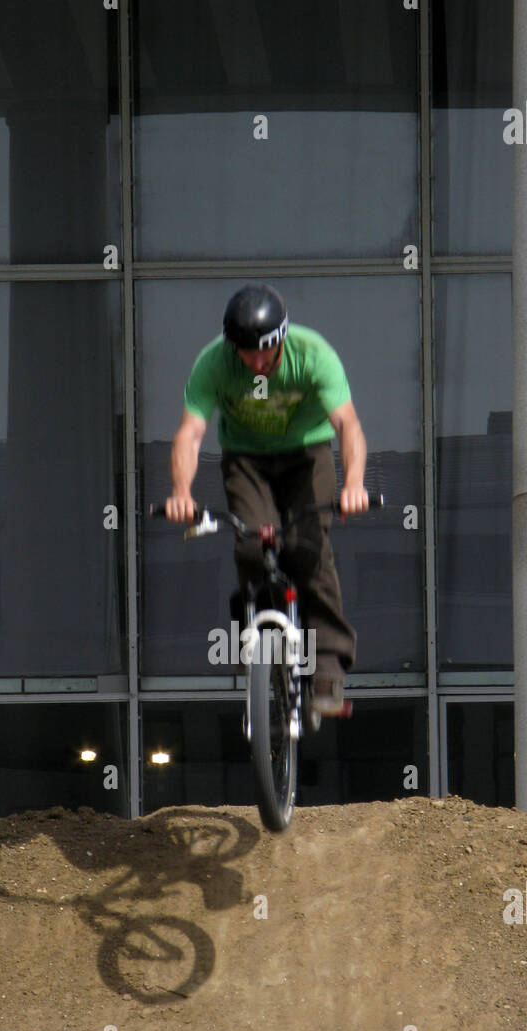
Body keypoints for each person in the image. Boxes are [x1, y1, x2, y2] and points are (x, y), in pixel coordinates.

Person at [165, 284, 369, 715]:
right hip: (247, 461)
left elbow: (347, 425)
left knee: (307, 549)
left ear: (282, 338)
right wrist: (181, 492)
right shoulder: (213, 364)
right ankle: (252, 636)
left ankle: (328, 670)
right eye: (246, 353)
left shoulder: (314, 355)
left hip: (306, 457)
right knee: (252, 545)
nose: (257, 363)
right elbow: (191, 432)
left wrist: (354, 483)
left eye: (266, 352)